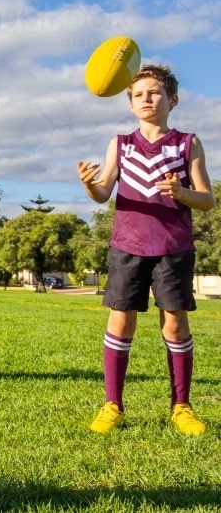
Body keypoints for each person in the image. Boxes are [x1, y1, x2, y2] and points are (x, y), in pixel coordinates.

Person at [78, 65, 215, 436]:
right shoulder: (120, 144)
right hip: (128, 247)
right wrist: (90, 185)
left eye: (154, 93)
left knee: (174, 323)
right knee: (120, 321)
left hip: (173, 247)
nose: (146, 99)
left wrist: (182, 193)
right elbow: (104, 191)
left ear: (173, 99)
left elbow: (208, 199)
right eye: (138, 94)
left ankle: (181, 406)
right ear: (129, 102)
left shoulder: (188, 143)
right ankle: (113, 405)